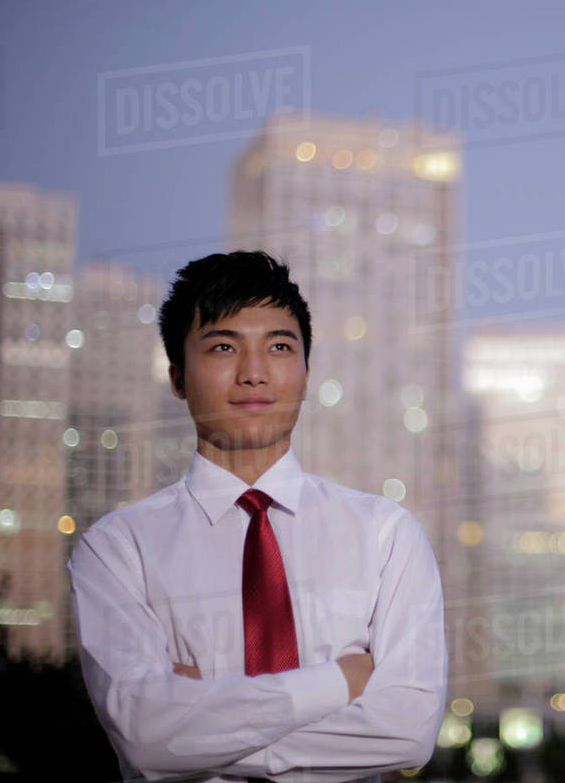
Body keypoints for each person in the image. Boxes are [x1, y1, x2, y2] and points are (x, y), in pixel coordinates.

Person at [67, 250, 447, 783]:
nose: (254, 373)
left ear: (307, 372)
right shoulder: (117, 548)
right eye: (223, 347)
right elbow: (144, 733)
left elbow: (408, 730)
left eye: (279, 347)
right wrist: (338, 684)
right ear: (177, 377)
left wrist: (197, 727)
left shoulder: (386, 535)